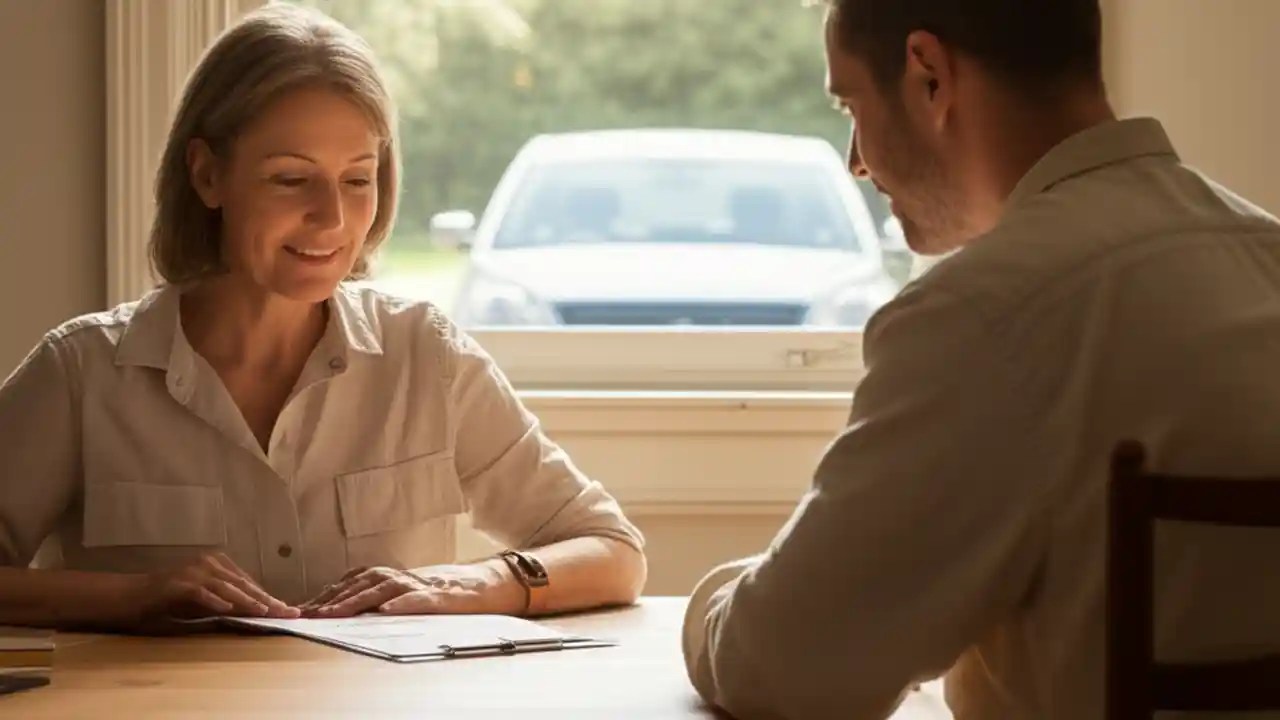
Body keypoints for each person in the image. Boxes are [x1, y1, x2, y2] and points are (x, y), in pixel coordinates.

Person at [683, 0, 1280, 717]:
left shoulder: (983, 317)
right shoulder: (1265, 257)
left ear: (928, 75)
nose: (857, 163)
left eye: (850, 106)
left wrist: (714, 602)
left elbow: (779, 669)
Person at [0, 4, 644, 632]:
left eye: (357, 180)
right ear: (206, 175)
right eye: (290, 179)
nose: (332, 220)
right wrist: (133, 597)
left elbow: (613, 551)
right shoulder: (80, 373)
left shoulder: (428, 356)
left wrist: (474, 583)